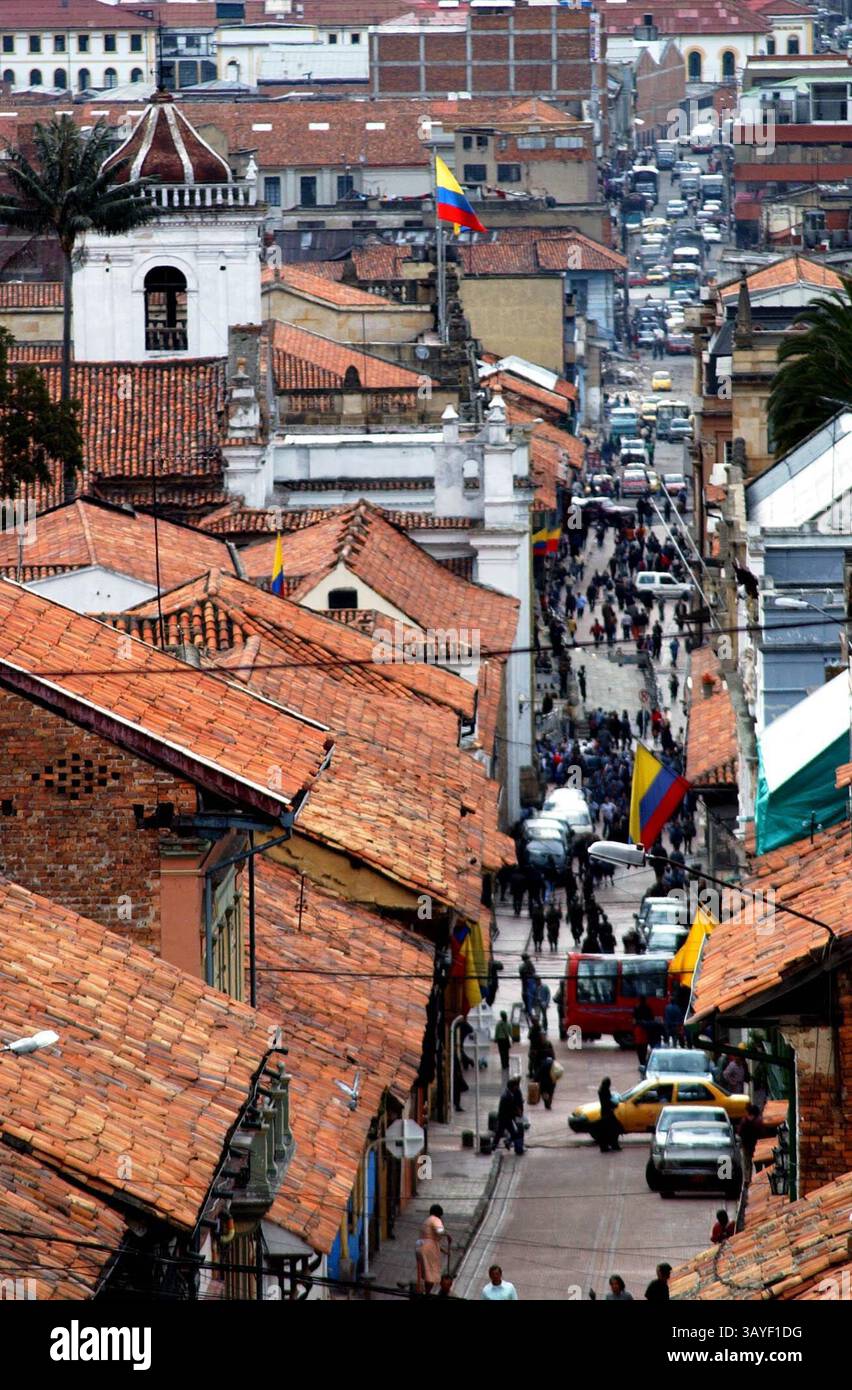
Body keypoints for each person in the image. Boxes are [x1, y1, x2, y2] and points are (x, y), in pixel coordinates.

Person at [415, 1204, 450, 1295]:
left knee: (425, 1274)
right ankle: (427, 1293)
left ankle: (424, 1291)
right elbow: (440, 1231)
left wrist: (444, 1251)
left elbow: (432, 1240)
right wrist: (448, 1235)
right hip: (428, 1249)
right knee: (431, 1275)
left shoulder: (426, 1221)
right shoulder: (435, 1219)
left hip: (420, 1247)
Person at [494, 1077, 525, 1155]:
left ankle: (510, 1144)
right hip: (505, 1118)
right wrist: (518, 1113)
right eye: (516, 1085)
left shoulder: (512, 1093)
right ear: (512, 1087)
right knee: (500, 1133)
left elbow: (517, 1103)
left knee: (515, 1132)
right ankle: (493, 1147)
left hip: (510, 1117)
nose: (517, 1087)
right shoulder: (507, 1097)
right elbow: (511, 1109)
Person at [738, 1103, 762, 1185]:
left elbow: (740, 1132)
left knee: (747, 1162)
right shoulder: (758, 1122)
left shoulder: (744, 1121)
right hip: (756, 1144)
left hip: (746, 1144)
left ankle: (747, 1179)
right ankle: (758, 1177)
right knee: (757, 1162)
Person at [596, 1076, 621, 1153]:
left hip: (605, 1112)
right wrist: (614, 1105)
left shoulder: (602, 1090)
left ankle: (608, 1145)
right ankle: (613, 1145)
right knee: (614, 1129)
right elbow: (607, 1102)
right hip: (607, 1113)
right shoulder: (604, 1091)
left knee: (608, 1130)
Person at [536, 1036, 558, 1110]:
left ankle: (547, 1102)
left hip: (544, 1081)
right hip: (552, 1080)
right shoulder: (553, 1063)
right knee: (551, 1092)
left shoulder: (543, 1064)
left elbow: (539, 1072)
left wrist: (535, 1079)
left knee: (543, 1091)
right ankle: (548, 1103)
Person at [632, 995, 655, 1067]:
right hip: (646, 1029)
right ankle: (643, 1061)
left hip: (638, 1028)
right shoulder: (648, 1008)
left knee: (639, 1046)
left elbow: (634, 1018)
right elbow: (652, 1018)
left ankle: (641, 1061)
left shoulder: (636, 1007)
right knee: (644, 1046)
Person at [494, 1010, 512, 1074]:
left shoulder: (499, 1024)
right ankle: (507, 1064)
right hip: (506, 1040)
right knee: (506, 1052)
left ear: (501, 1016)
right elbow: (510, 1032)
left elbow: (496, 1032)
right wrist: (512, 1038)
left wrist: (495, 1039)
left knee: (501, 1053)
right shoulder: (508, 1023)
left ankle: (503, 1065)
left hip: (500, 1040)